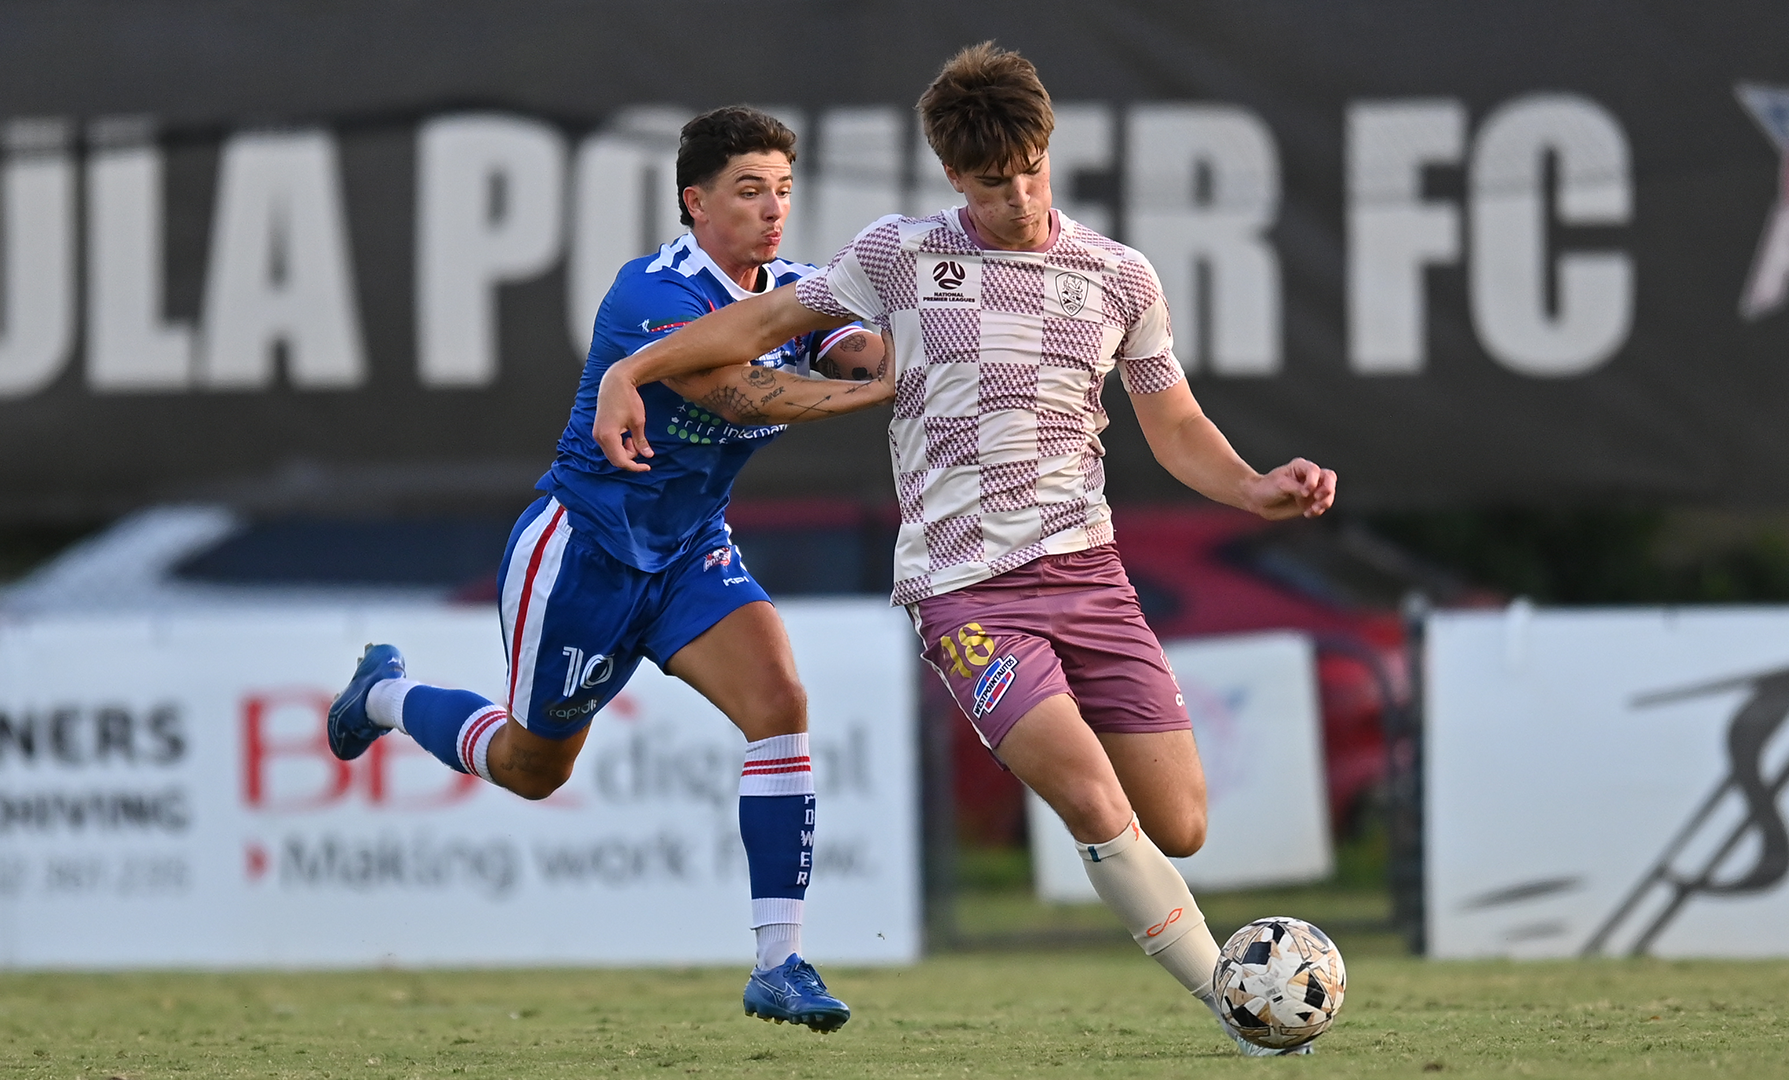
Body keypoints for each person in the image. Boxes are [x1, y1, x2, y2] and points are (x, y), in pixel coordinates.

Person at [591, 45, 1339, 1056]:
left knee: (1182, 824)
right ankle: (1235, 1002)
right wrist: (631, 368)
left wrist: (1254, 487)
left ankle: (1230, 986)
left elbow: (1175, 425)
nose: (1020, 197)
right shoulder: (898, 256)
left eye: (1032, 170)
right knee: (1088, 796)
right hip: (965, 590)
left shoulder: (1118, 275)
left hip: (1091, 576)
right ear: (953, 175)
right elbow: (760, 319)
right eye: (994, 182)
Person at [325, 106, 894, 1033]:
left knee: (780, 702)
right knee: (530, 766)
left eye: (783, 190)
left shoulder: (794, 286)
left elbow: (849, 340)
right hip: (583, 553)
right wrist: (880, 388)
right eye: (749, 190)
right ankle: (384, 697)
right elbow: (741, 388)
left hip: (691, 553)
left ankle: (779, 963)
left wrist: (918, 349)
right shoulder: (651, 292)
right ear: (694, 201)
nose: (771, 210)